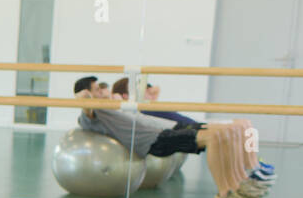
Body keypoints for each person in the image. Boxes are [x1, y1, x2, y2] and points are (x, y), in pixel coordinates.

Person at [73, 76, 267, 198]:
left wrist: (109, 97)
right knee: (215, 137)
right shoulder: (93, 114)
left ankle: (238, 183)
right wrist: (88, 97)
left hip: (167, 130)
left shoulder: (113, 106)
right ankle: (225, 194)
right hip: (156, 140)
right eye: (97, 89)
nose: (103, 90)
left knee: (227, 132)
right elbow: (85, 105)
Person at [113, 77, 275, 185]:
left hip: (197, 124)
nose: (149, 93)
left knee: (246, 125)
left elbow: (156, 89)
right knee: (241, 126)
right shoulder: (138, 109)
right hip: (192, 128)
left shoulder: (147, 103)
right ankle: (253, 168)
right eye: (142, 91)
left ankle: (253, 162)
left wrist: (144, 88)